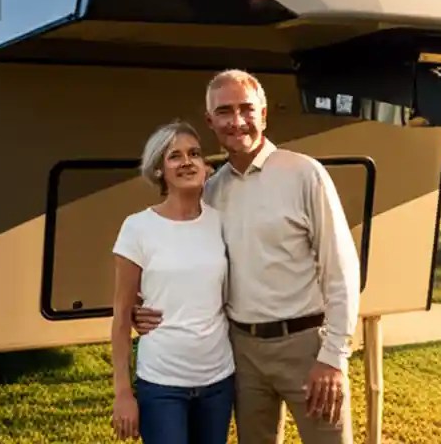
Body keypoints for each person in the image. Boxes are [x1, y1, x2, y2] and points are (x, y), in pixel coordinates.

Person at [135, 70, 360, 444]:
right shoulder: (211, 191)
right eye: (224, 111)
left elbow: (341, 268)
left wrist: (334, 356)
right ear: (210, 121)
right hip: (241, 353)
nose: (236, 121)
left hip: (307, 346)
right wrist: (142, 306)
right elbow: (186, 262)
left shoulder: (304, 174)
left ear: (264, 114)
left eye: (246, 109)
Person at [110, 120, 235, 443]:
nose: (187, 162)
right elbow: (121, 316)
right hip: (161, 384)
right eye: (175, 156)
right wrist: (123, 392)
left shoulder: (221, 222)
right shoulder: (137, 228)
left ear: (205, 166)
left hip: (218, 382)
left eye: (194, 153)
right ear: (159, 170)